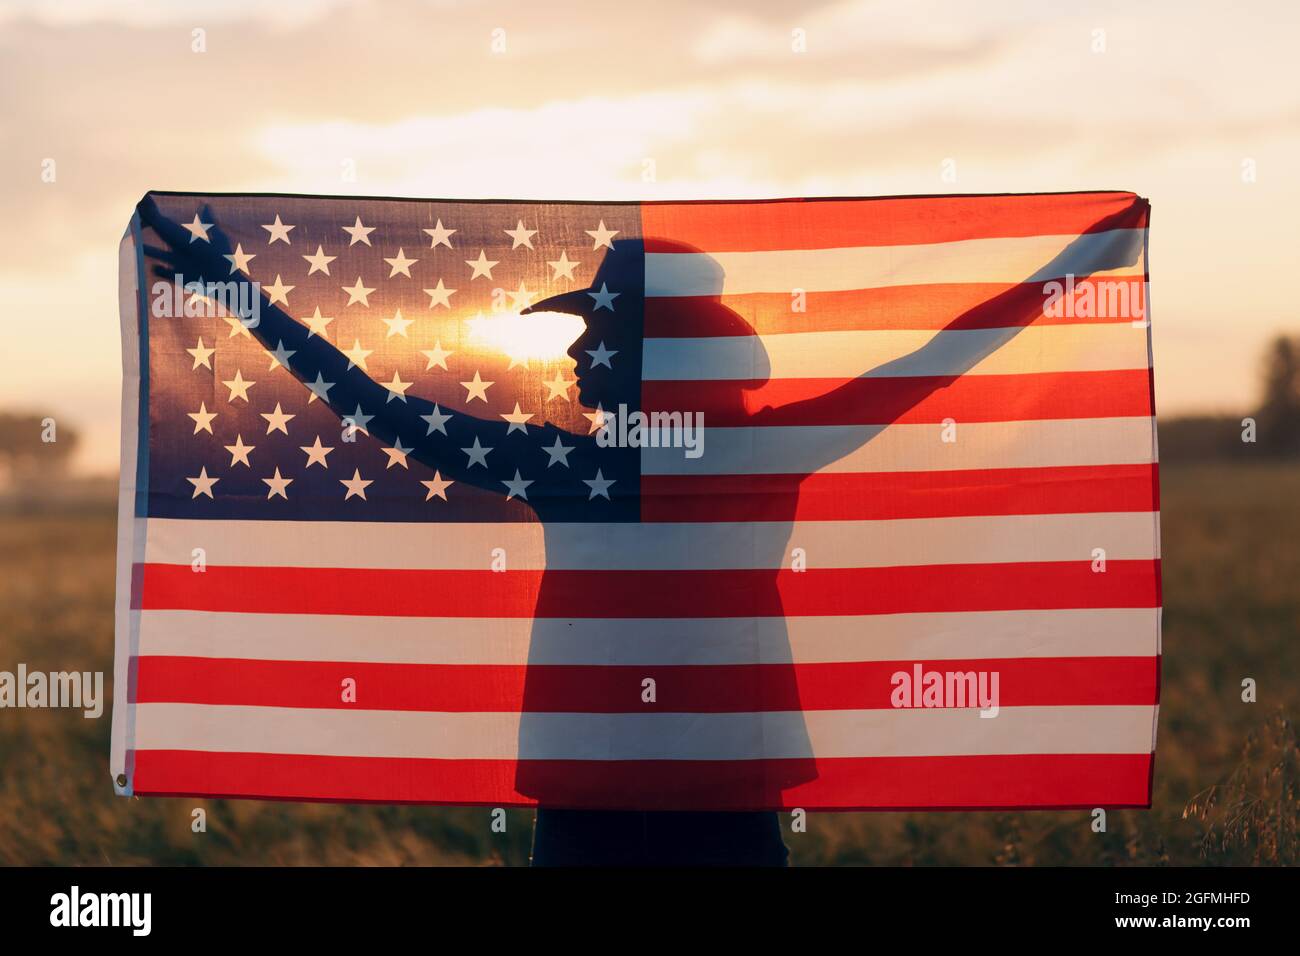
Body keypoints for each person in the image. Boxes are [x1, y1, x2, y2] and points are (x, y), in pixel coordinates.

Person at [139, 196, 1144, 866]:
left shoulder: (569, 462)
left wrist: (242, 298)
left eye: (598, 332)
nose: (576, 353)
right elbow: (938, 356)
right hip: (693, 783)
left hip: (619, 789)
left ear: (655, 350)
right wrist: (1085, 258)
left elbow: (375, 405)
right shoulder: (748, 450)